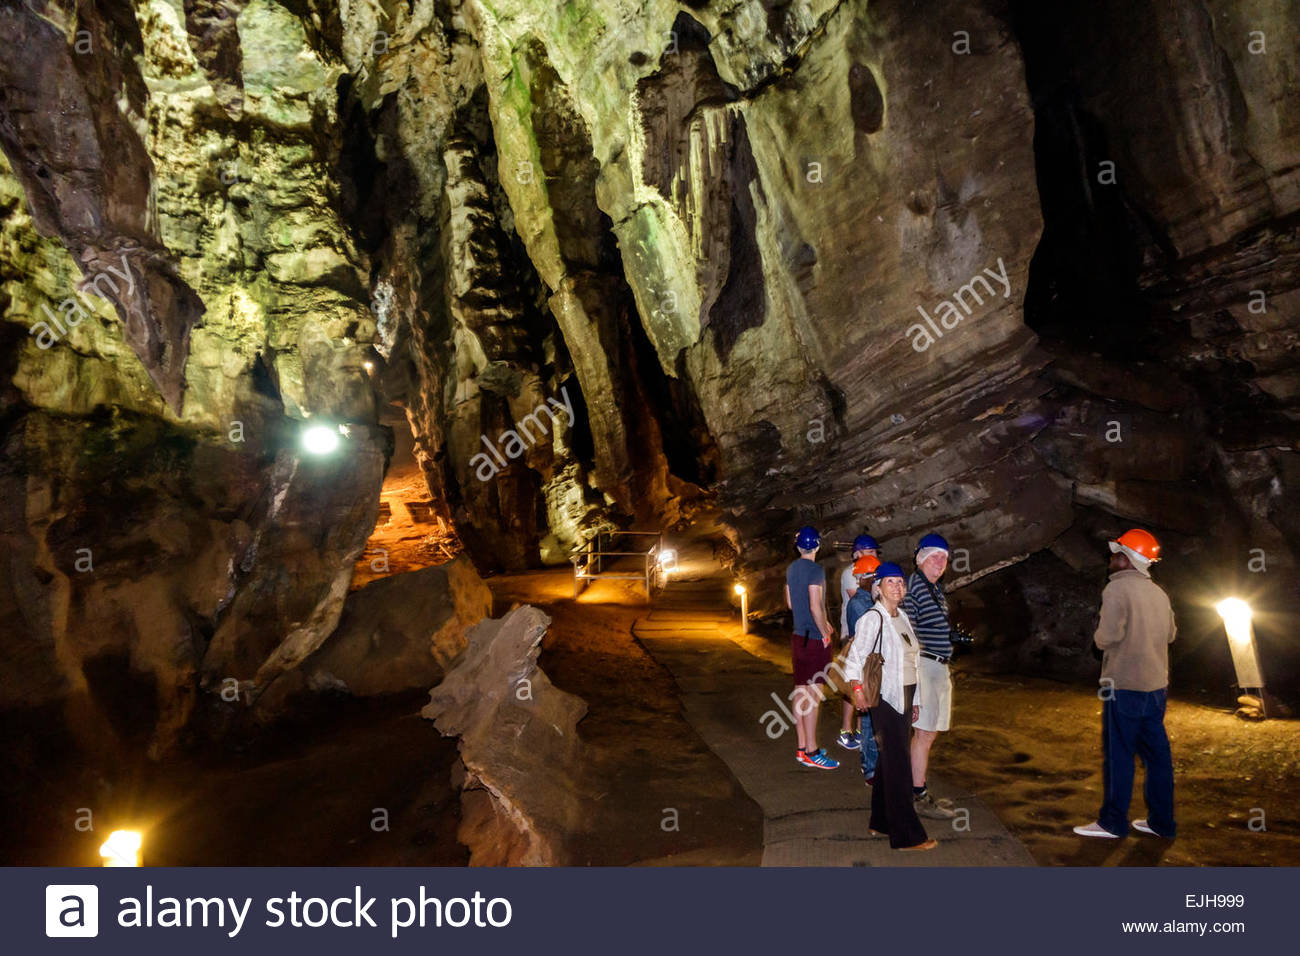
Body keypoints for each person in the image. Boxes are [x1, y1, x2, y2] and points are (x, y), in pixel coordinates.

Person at [1073, 529, 1177, 839]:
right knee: (1157, 758)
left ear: (1127, 559)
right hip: (1156, 686)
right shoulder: (1159, 592)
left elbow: (1107, 638)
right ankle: (1162, 823)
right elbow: (1171, 635)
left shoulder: (1115, 591)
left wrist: (1100, 634)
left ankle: (1113, 822)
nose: (1111, 558)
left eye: (1117, 553)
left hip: (1126, 685)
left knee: (1120, 755)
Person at [845, 562, 936, 850]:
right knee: (899, 764)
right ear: (878, 588)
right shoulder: (874, 618)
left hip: (905, 695)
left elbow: (912, 662)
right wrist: (857, 690)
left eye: (900, 582)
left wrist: (917, 700)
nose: (897, 586)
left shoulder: (903, 617)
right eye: (890, 582)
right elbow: (855, 658)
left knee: (888, 760)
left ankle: (881, 822)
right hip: (885, 699)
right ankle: (907, 834)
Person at [902, 532, 957, 820]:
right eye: (934, 556)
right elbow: (907, 635)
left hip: (938, 666)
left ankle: (917, 789)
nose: (940, 561)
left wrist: (950, 637)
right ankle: (917, 795)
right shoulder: (915, 587)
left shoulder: (934, 589)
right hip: (924, 668)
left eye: (944, 557)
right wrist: (913, 688)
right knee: (923, 732)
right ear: (921, 558)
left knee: (929, 732)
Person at [784, 526, 839, 769]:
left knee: (800, 693)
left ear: (798, 546)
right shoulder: (815, 570)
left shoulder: (792, 568)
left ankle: (802, 748)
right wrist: (824, 631)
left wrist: (814, 621)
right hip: (814, 640)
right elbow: (816, 605)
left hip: (798, 636)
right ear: (817, 545)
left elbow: (790, 603)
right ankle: (814, 751)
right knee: (813, 697)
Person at [837, 534, 879, 751]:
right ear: (858, 553)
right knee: (851, 684)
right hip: (851, 633)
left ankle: (863, 731)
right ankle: (846, 730)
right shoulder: (849, 574)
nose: (874, 555)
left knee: (866, 685)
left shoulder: (873, 570)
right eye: (870, 551)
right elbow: (860, 600)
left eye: (875, 552)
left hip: (866, 635)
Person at [844, 555, 881, 782]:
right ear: (865, 579)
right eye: (875, 578)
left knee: (876, 717)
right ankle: (870, 768)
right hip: (867, 667)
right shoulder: (859, 603)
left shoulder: (871, 601)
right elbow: (865, 640)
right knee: (868, 719)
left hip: (876, 666)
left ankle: (878, 764)